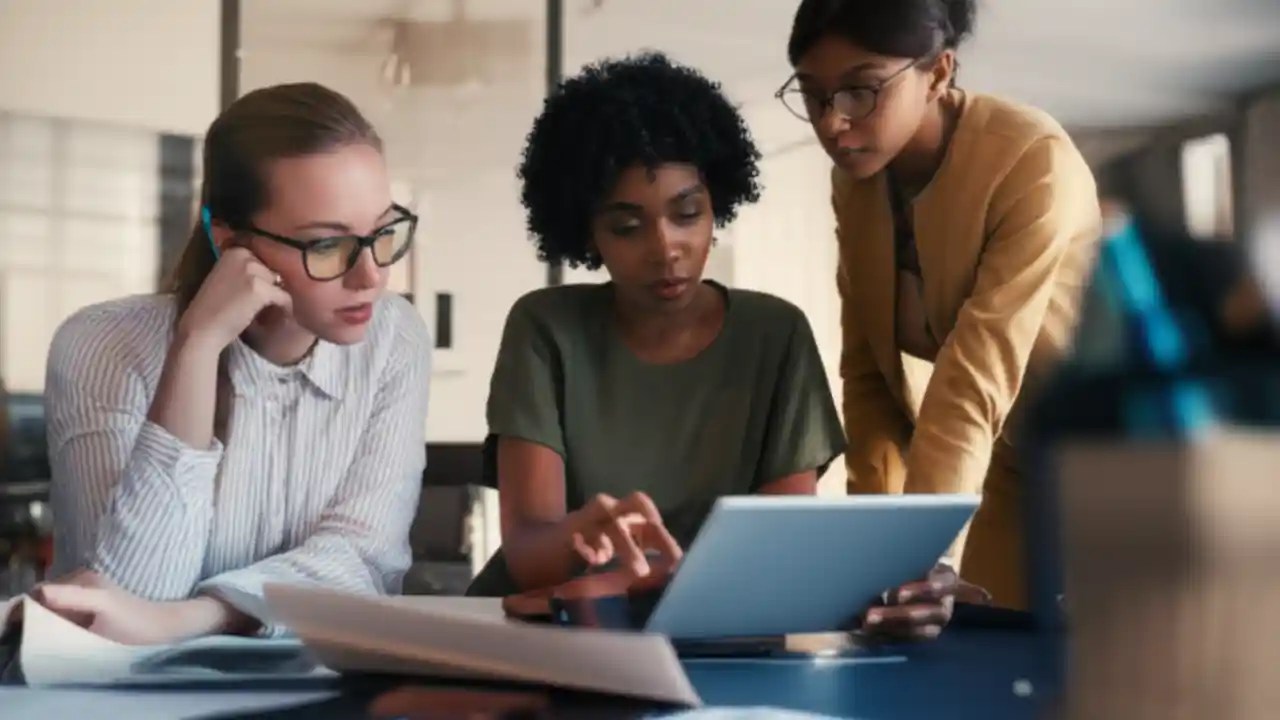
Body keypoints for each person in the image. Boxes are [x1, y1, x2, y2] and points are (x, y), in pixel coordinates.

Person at [38, 83, 432, 644]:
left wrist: (199, 617)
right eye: (326, 246)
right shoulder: (101, 344)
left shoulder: (394, 340)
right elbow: (125, 604)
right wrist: (196, 348)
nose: (371, 276)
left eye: (384, 232)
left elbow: (364, 563)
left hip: (318, 688)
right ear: (229, 240)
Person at [465, 52, 848, 603]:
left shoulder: (776, 335)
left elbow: (779, 549)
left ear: (718, 205)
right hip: (556, 635)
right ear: (588, 232)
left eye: (687, 213)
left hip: (709, 627)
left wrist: (663, 577)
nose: (665, 248)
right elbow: (528, 556)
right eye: (627, 226)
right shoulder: (545, 330)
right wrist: (585, 536)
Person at [781, 0, 1103, 611]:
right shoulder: (856, 181)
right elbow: (868, 372)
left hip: (1108, 473)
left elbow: (972, 378)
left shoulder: (1031, 160)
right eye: (814, 95)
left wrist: (923, 556)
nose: (832, 123)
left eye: (860, 91)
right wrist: (878, 555)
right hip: (1001, 464)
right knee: (962, 654)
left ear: (938, 73)